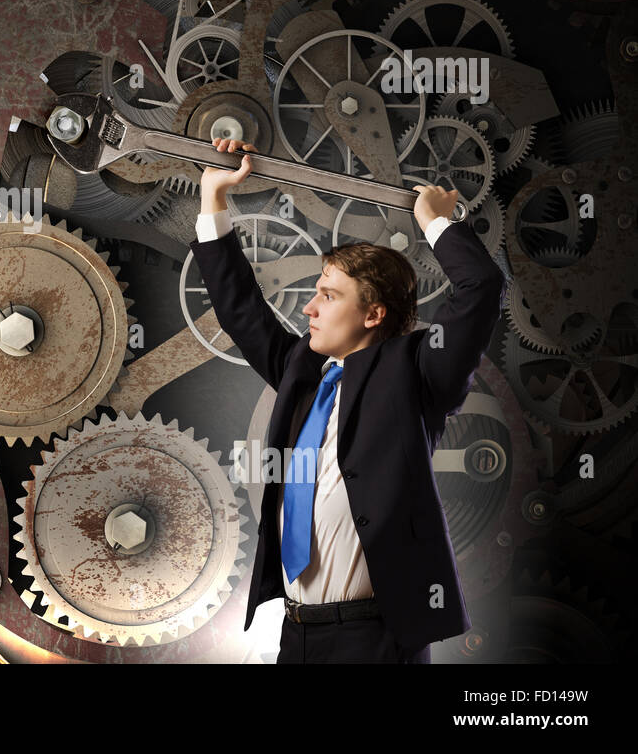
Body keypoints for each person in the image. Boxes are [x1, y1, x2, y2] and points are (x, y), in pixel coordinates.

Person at [191, 138, 506, 663]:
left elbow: (480, 286)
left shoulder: (418, 373)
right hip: (296, 634)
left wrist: (434, 222)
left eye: (329, 295)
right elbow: (241, 309)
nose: (310, 307)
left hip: (375, 642)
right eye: (316, 290)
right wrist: (213, 198)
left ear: (374, 314)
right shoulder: (302, 371)